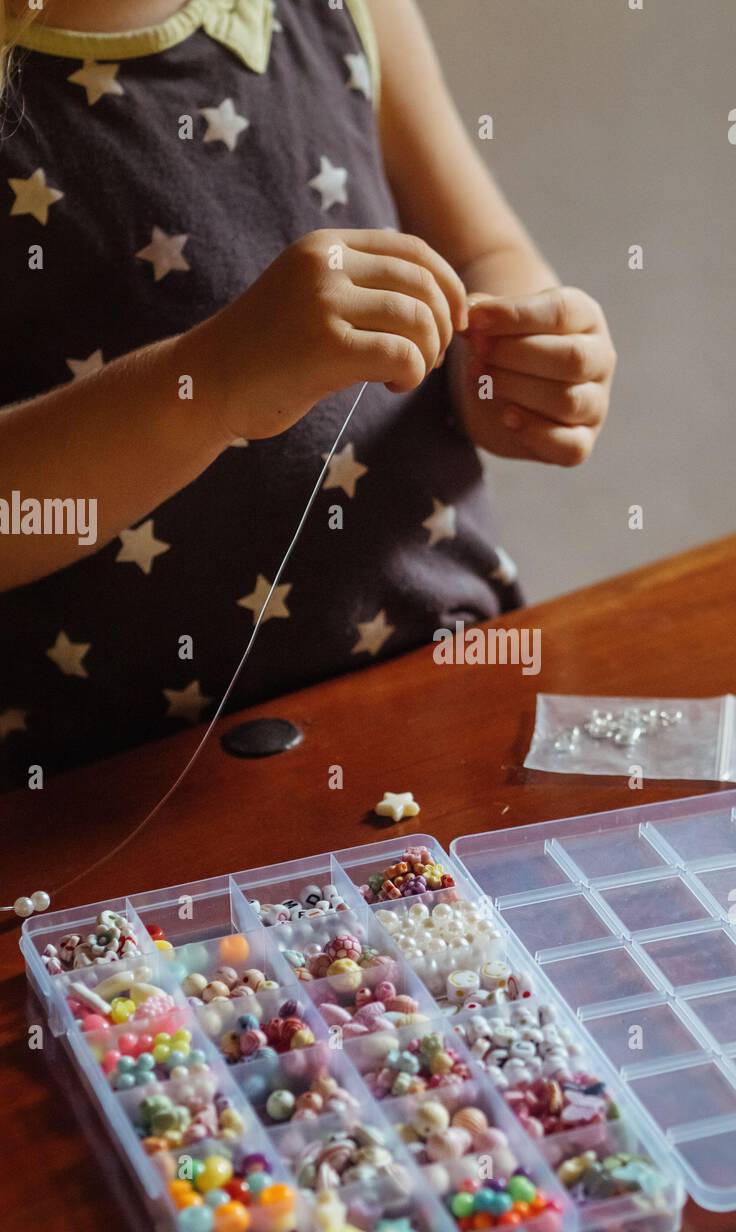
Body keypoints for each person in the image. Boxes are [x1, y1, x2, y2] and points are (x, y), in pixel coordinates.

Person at [0, 0, 616, 788]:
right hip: (113, 791)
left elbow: (486, 253)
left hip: (443, 696)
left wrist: (518, 364)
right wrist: (214, 382)